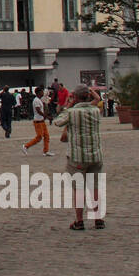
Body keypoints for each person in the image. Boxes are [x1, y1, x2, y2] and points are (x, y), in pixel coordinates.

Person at [54, 87, 104, 231]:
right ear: (88, 96)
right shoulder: (95, 110)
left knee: (79, 189)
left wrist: (68, 104)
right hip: (95, 155)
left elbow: (58, 122)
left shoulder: (72, 112)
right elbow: (97, 100)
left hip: (78, 157)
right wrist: (91, 92)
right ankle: (98, 218)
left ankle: (79, 220)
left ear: (75, 97)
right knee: (94, 187)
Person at [22, 86, 54, 156]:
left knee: (46, 136)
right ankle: (26, 146)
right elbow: (38, 110)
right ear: (38, 93)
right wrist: (46, 116)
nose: (43, 93)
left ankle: (46, 151)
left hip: (41, 121)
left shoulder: (39, 100)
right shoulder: (36, 100)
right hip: (38, 121)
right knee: (39, 137)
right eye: (42, 92)